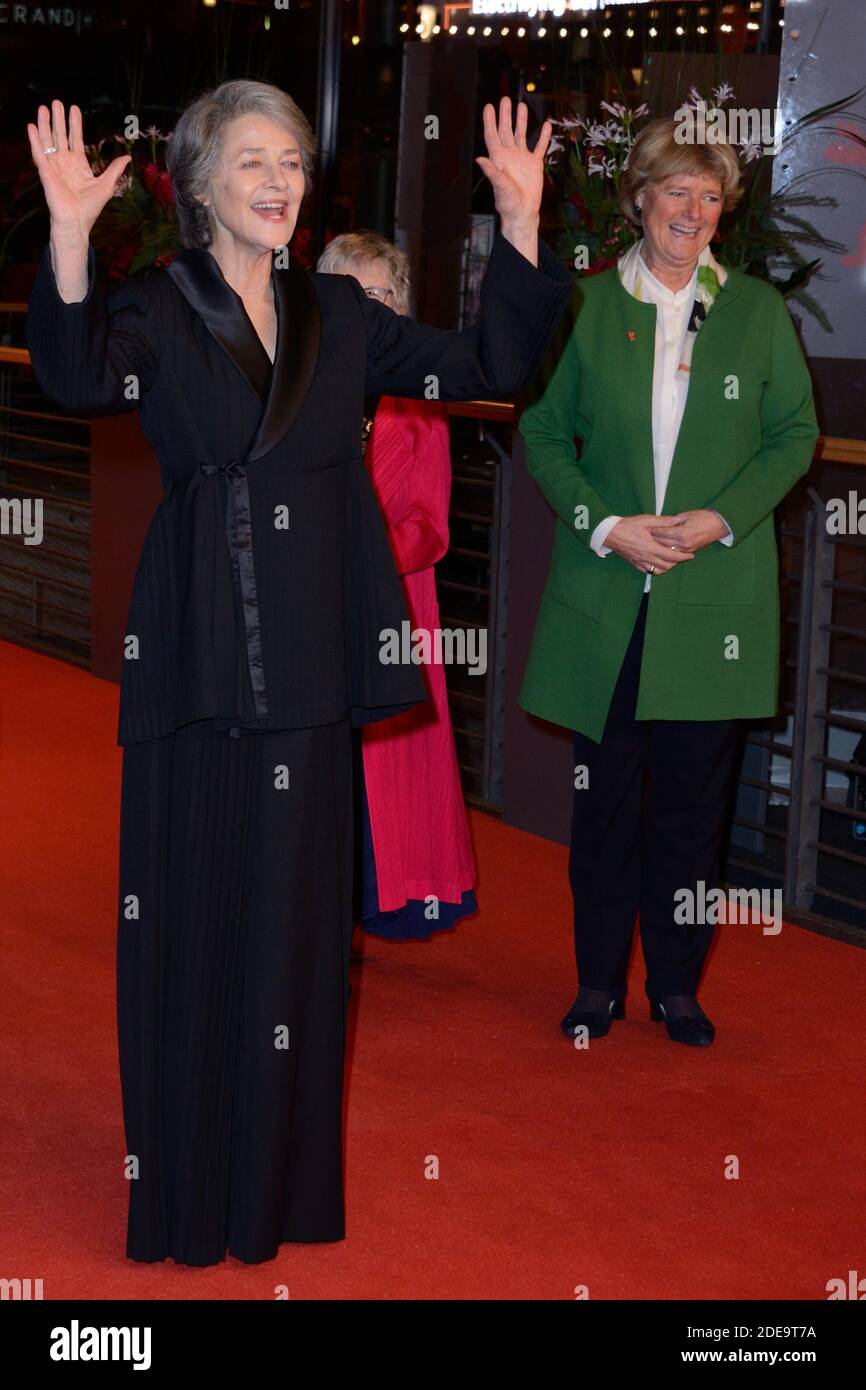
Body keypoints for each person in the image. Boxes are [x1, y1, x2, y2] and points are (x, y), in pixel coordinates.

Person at [24, 82, 572, 1264]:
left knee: (292, 938)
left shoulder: (341, 312)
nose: (279, 181)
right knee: (190, 925)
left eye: (295, 163)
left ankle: (274, 1191)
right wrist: (68, 231)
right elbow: (72, 381)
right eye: (253, 159)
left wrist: (522, 226)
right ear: (199, 182)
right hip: (198, 658)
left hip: (313, 669)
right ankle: (182, 1190)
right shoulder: (154, 311)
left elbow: (486, 362)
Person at [517, 117, 819, 1047]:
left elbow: (794, 436)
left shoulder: (757, 313)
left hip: (711, 600)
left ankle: (678, 987)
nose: (692, 210)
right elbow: (539, 432)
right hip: (608, 596)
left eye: (710, 196)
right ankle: (598, 984)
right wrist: (607, 526)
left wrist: (721, 518)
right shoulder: (586, 305)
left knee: (693, 809)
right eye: (675, 191)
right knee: (603, 804)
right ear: (640, 199)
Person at [317, 230, 477, 940]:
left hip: (390, 608)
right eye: (349, 291)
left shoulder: (420, 396)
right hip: (302, 606)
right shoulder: (293, 382)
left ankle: (378, 895)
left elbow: (431, 524)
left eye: (379, 293)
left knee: (376, 760)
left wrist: (359, 556)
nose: (365, 306)